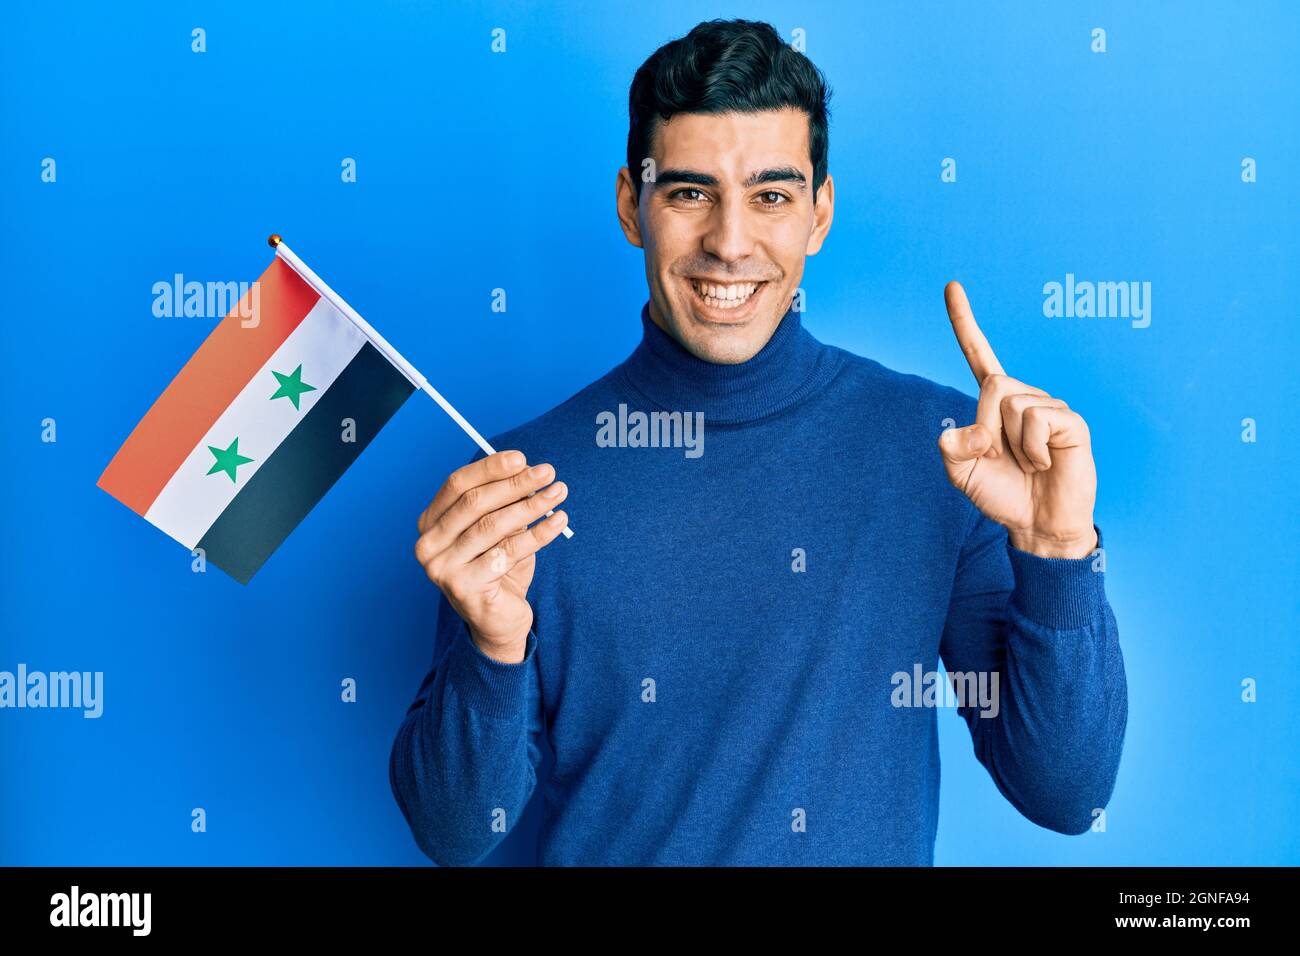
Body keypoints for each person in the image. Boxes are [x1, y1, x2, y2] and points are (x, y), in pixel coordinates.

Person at [390, 18, 1127, 866]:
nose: (730, 242)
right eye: (689, 193)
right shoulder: (517, 488)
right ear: (633, 205)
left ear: (819, 213)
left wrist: (1057, 550)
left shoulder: (948, 455)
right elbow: (455, 834)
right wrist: (491, 648)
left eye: (771, 196)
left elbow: (1066, 793)